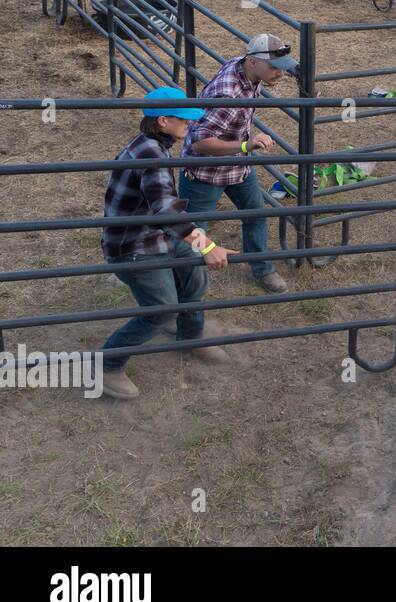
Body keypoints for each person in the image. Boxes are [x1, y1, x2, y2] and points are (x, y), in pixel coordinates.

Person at [99, 88, 233, 400]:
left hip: (154, 233)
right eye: (184, 119)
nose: (190, 124)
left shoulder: (155, 145)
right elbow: (165, 212)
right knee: (161, 308)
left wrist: (198, 244)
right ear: (163, 121)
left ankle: (190, 336)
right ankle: (107, 364)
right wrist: (208, 247)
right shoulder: (150, 155)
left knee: (193, 280)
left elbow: (164, 212)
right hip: (133, 245)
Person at [179, 34, 298, 294]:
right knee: (191, 230)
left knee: (255, 215)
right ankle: (185, 284)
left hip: (238, 167)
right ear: (253, 62)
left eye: (284, 67)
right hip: (205, 173)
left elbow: (277, 68)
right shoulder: (227, 95)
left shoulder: (245, 67)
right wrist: (246, 146)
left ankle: (262, 268)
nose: (281, 74)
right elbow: (200, 143)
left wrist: (295, 71)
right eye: (275, 68)